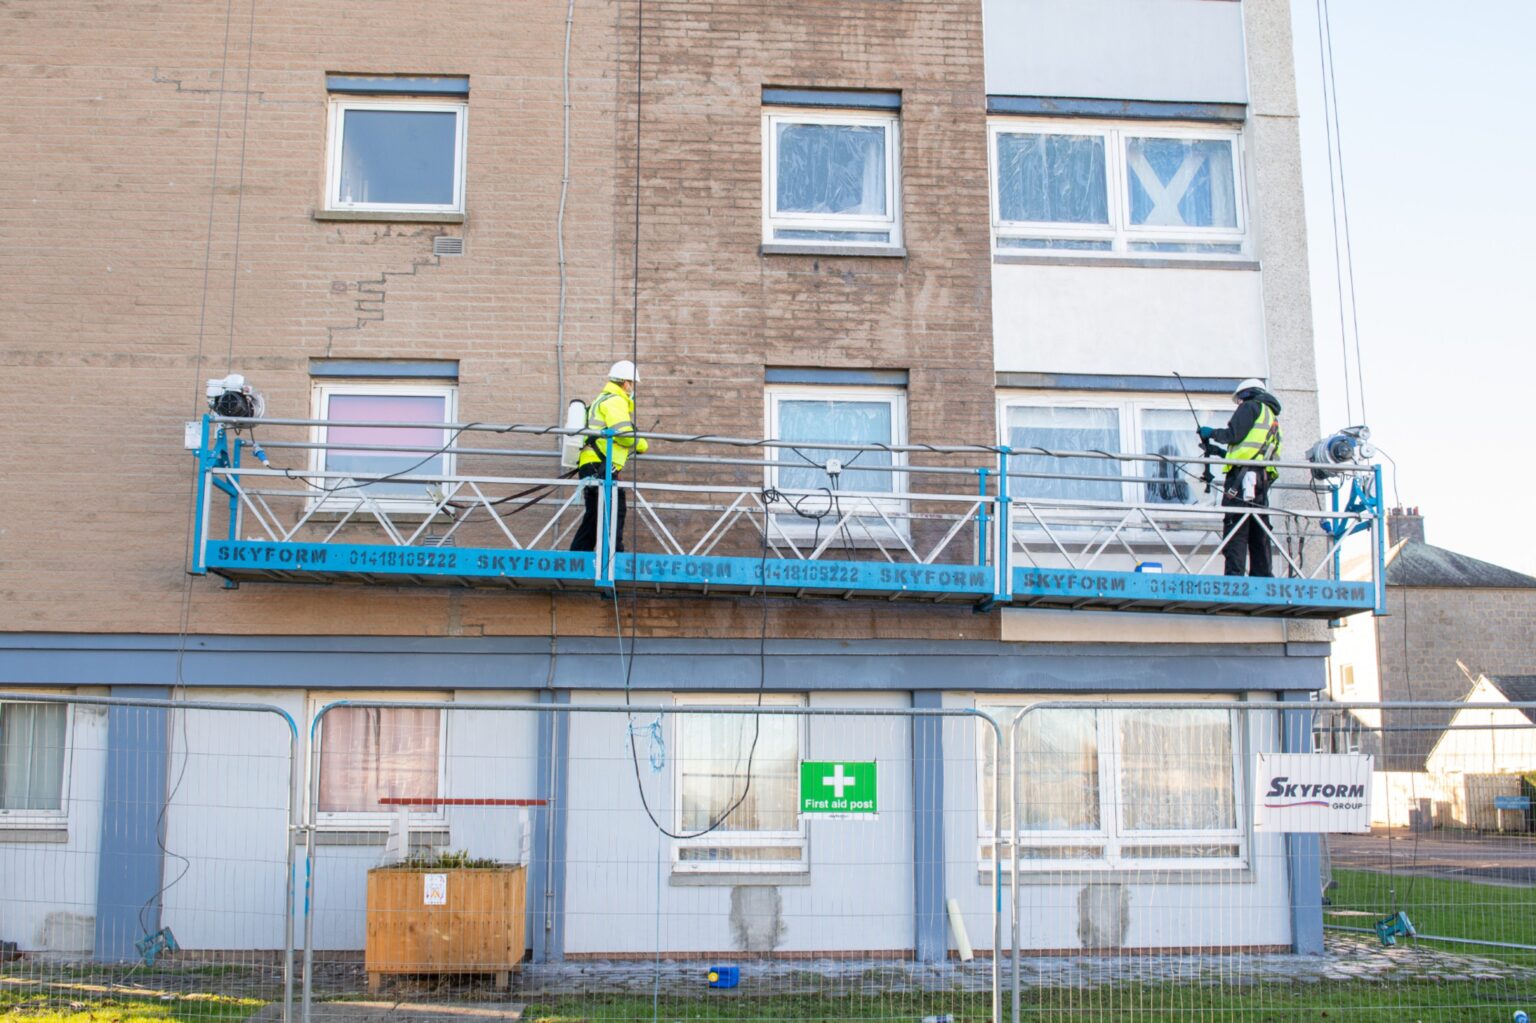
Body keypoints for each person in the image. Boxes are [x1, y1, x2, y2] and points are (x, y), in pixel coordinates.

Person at [1200, 378, 1283, 577]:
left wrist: (1211, 433)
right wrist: (1220, 453)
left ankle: (1234, 576)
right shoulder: (1271, 417)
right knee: (1258, 527)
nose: (1238, 404)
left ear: (1246, 394)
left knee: (1236, 525)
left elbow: (1233, 435)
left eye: (1238, 400)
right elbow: (1251, 449)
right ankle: (1262, 576)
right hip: (1259, 480)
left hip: (1241, 479)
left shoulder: (1251, 407)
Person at [570, 360, 648, 553]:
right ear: (625, 383)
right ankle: (614, 555)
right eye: (632, 383)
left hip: (593, 464)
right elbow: (623, 434)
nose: (633, 388)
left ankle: (578, 556)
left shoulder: (602, 399)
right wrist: (641, 444)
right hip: (601, 466)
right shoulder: (615, 400)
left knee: (595, 514)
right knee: (615, 509)